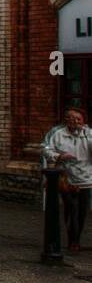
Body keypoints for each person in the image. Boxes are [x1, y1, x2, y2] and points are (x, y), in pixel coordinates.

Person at [41, 107, 92, 252]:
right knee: (72, 208)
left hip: (85, 178)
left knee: (82, 211)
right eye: (70, 118)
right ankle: (73, 241)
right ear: (65, 120)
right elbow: (46, 149)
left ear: (83, 120)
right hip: (66, 178)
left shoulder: (88, 134)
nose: (74, 121)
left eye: (78, 119)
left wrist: (87, 136)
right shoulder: (58, 134)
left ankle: (75, 239)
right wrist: (59, 156)